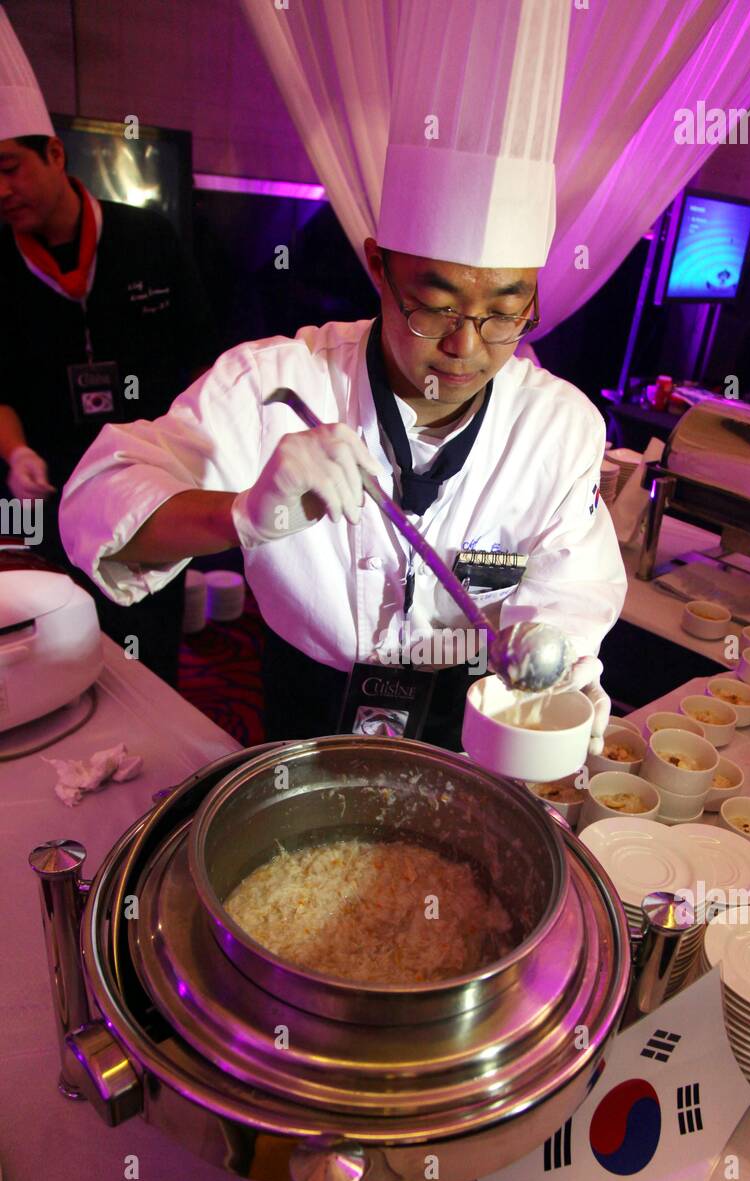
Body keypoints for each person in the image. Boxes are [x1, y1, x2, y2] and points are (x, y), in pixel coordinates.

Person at [59, 0, 626, 749]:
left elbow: (569, 590)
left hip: (466, 723)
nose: (465, 346)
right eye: (433, 304)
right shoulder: (274, 381)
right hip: (304, 705)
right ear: (377, 267)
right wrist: (239, 516)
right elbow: (96, 503)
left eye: (503, 311)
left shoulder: (561, 426)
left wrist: (559, 673)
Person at [0, 8, 217, 685]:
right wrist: (16, 451)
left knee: (148, 646)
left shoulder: (146, 236)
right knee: (59, 652)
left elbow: (204, 359)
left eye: (9, 168)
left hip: (147, 480)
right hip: (51, 485)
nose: (0, 192)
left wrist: (203, 456)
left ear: (55, 155)